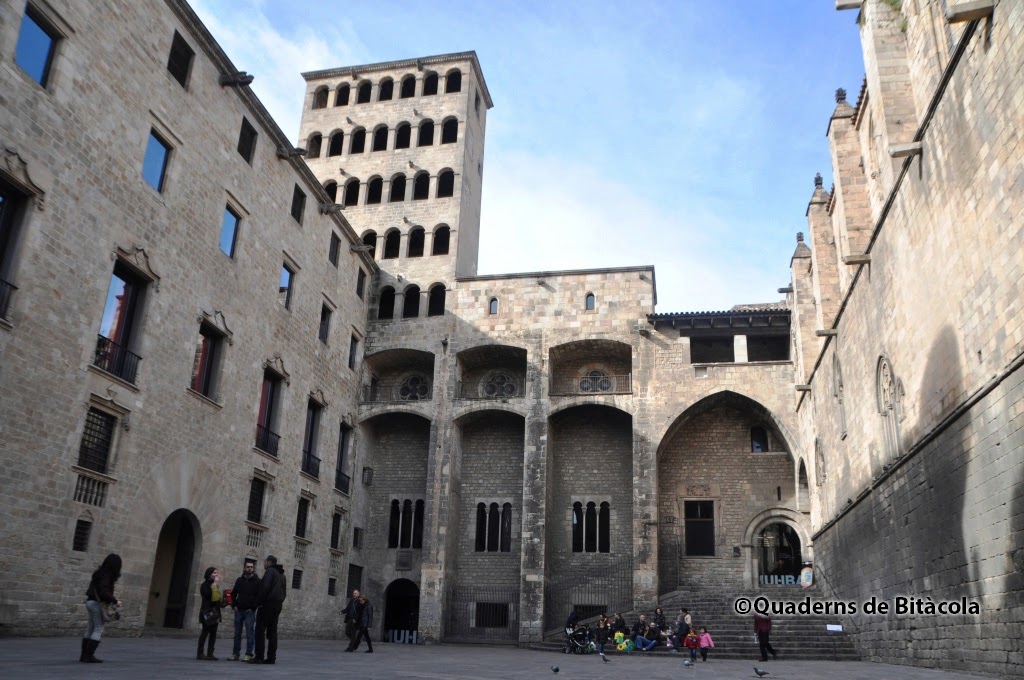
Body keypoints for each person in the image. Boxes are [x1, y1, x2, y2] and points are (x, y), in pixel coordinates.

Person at [81, 553, 121, 663]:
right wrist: (115, 600)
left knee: (90, 627)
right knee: (98, 628)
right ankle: (89, 656)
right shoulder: (107, 576)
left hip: (90, 601)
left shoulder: (98, 573)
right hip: (96, 604)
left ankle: (83, 655)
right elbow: (103, 592)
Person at [251, 555, 286, 665]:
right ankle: (271, 658)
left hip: (267, 604)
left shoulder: (270, 571)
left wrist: (257, 603)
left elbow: (265, 587)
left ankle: (259, 657)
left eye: (265, 562)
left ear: (269, 562)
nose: (263, 564)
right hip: (277, 605)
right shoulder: (282, 574)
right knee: (272, 632)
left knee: (260, 630)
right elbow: (284, 592)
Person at [230, 560, 260, 661]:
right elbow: (233, 593)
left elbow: (259, 597)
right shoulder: (239, 580)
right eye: (247, 567)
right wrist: (234, 605)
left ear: (254, 568)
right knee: (237, 633)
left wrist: (253, 608)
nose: (249, 568)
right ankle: (235, 654)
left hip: (249, 612)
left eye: (251, 567)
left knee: (250, 633)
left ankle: (248, 654)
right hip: (239, 610)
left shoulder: (257, 581)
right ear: (244, 568)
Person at [197, 566, 226, 660]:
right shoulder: (205, 585)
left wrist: (224, 602)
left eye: (216, 573)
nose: (216, 575)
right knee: (204, 632)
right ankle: (200, 653)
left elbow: (217, 599)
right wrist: (214, 585)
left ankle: (210, 653)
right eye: (214, 573)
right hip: (207, 612)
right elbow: (211, 598)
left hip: (215, 612)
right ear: (209, 575)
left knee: (213, 634)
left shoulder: (215, 586)